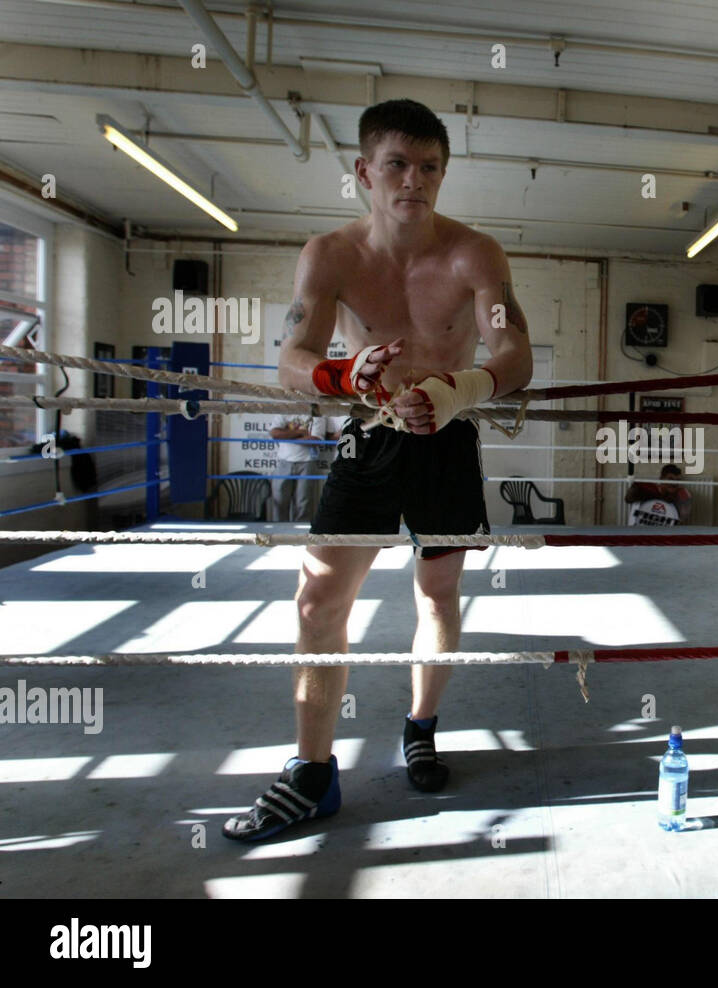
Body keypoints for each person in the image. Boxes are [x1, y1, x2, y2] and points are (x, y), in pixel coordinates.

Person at [223, 99, 532, 842]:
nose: (412, 181)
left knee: (437, 592)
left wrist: (458, 389)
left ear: (443, 174)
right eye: (396, 164)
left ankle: (421, 725)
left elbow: (513, 355)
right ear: (364, 172)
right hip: (369, 434)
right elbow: (291, 359)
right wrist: (343, 375)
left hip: (448, 439)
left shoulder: (475, 254)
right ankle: (312, 773)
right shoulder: (330, 254)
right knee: (319, 601)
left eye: (429, 167)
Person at [268, 413, 327, 522]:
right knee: (279, 501)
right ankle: (279, 534)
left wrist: (287, 435)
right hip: (284, 461)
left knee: (303, 503)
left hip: (307, 462)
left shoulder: (317, 415)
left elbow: (315, 441)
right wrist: (300, 432)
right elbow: (275, 434)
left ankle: (300, 535)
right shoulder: (284, 412)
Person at [626, 464, 693, 525]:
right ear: (661, 478)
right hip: (639, 529)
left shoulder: (678, 496)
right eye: (670, 479)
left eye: (677, 480)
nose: (674, 483)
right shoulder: (648, 488)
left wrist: (683, 500)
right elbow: (628, 498)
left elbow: (682, 519)